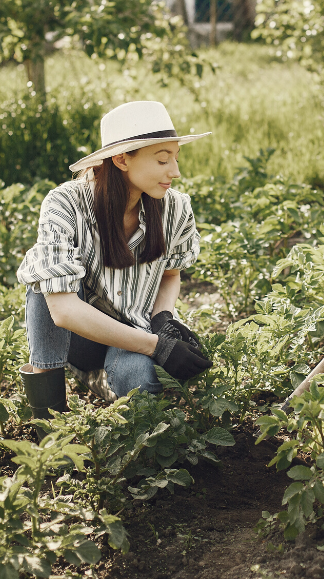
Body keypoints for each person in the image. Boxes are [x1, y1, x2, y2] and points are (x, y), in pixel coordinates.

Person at [17, 100, 213, 423]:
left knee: (138, 383)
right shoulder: (66, 205)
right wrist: (157, 346)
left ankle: (109, 386)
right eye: (163, 160)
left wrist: (162, 320)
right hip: (80, 341)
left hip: (135, 331)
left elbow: (171, 273)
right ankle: (48, 424)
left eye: (176, 158)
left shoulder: (175, 208)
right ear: (122, 159)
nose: (175, 172)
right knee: (43, 284)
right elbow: (63, 310)